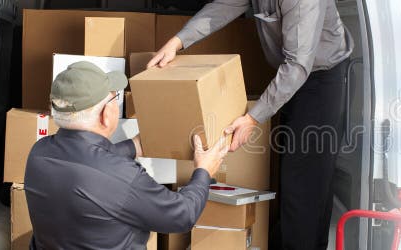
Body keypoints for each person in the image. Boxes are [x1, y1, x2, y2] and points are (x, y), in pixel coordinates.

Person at [148, 0, 353, 249]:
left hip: (318, 79)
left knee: (304, 182)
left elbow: (298, 66)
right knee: (297, 178)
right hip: (290, 76)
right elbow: (223, 6)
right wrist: (177, 42)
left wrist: (252, 118)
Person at [24, 61, 230, 249]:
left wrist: (135, 146)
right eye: (115, 97)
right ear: (105, 114)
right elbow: (182, 215)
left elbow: (89, 165)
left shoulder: (39, 153)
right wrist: (203, 170)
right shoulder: (122, 176)